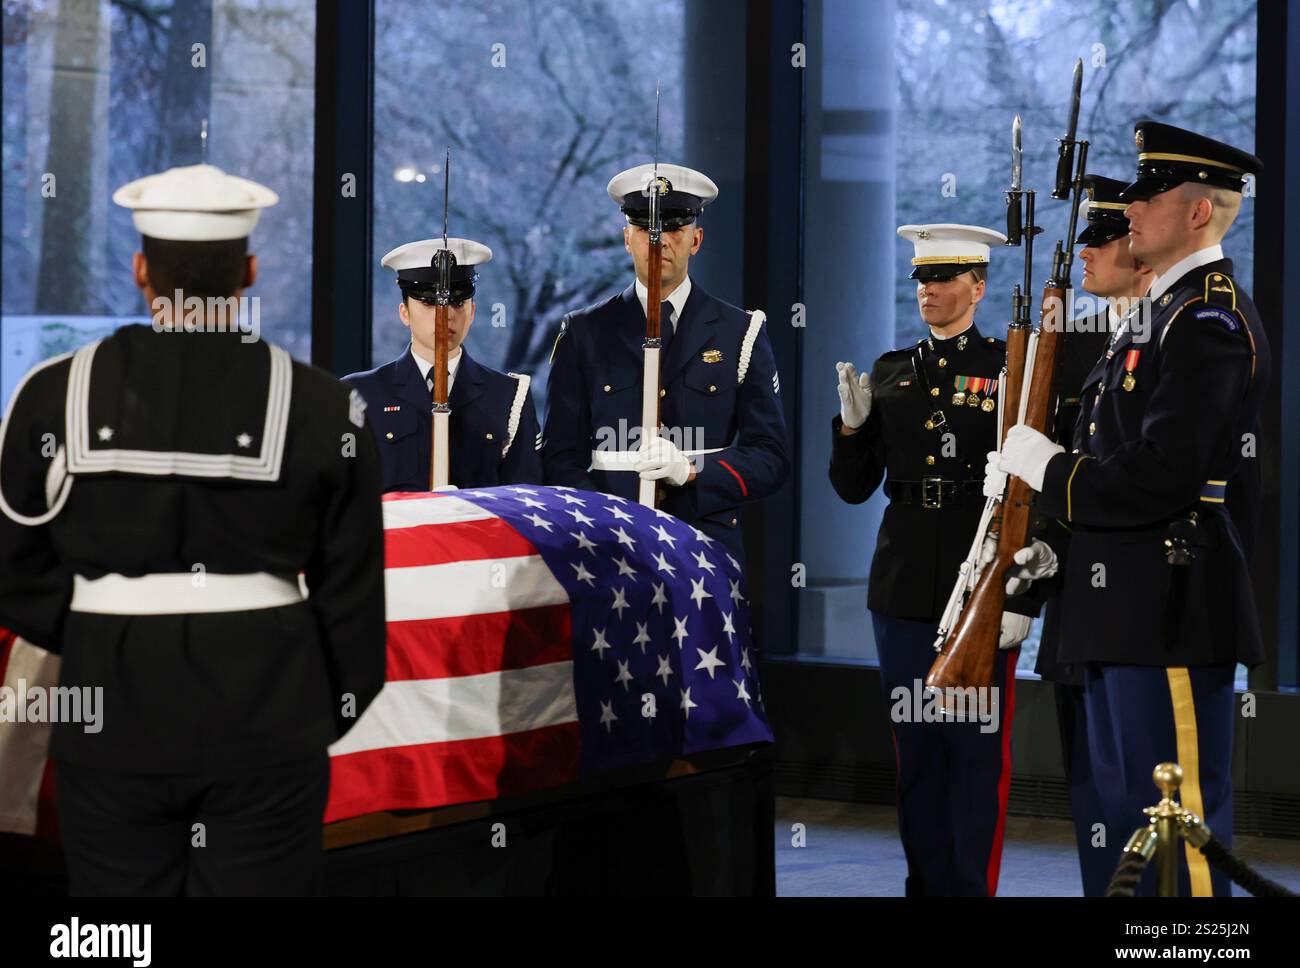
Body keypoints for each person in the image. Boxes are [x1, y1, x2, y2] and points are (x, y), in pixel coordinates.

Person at [0, 163, 387, 895]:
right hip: (270, 719)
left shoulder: (52, 395)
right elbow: (354, 594)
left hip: (108, 715)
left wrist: (93, 635)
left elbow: (14, 569)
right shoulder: (328, 408)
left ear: (142, 271)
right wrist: (312, 713)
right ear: (248, 271)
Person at [992, 121, 1268, 896]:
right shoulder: (1161, 317)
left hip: (1173, 608)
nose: (1130, 209)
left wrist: (1049, 469)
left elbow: (1162, 475)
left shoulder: (1207, 320)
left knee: (1174, 831)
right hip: (1127, 610)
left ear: (1197, 214)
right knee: (1126, 836)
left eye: (1148, 197)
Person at [829, 223, 1037, 896]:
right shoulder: (891, 369)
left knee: (974, 752)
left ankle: (971, 890)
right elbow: (853, 486)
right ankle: (926, 885)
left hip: (976, 582)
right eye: (921, 279)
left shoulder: (1011, 370)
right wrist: (853, 429)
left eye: (945, 279)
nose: (929, 290)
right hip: (904, 584)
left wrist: (1015, 589)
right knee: (916, 749)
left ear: (977, 288)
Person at [542, 162, 789, 562]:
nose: (660, 242)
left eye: (675, 228)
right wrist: (605, 521)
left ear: (696, 239)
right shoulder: (584, 332)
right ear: (627, 239)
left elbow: (770, 459)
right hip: (607, 545)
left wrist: (691, 468)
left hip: (704, 547)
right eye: (645, 230)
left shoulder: (739, 332)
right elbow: (559, 459)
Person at [1033, 174, 1154, 895]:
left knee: (1139, 797)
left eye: (1100, 241)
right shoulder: (1090, 344)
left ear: (1137, 250)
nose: (1084, 256)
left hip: (1132, 600)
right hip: (1077, 597)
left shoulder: (1162, 337)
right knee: (1092, 796)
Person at [344, 238, 542, 490]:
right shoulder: (359, 394)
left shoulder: (508, 397)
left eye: (458, 303)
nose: (445, 314)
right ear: (404, 313)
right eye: (428, 303)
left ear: (472, 312)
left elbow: (524, 499)